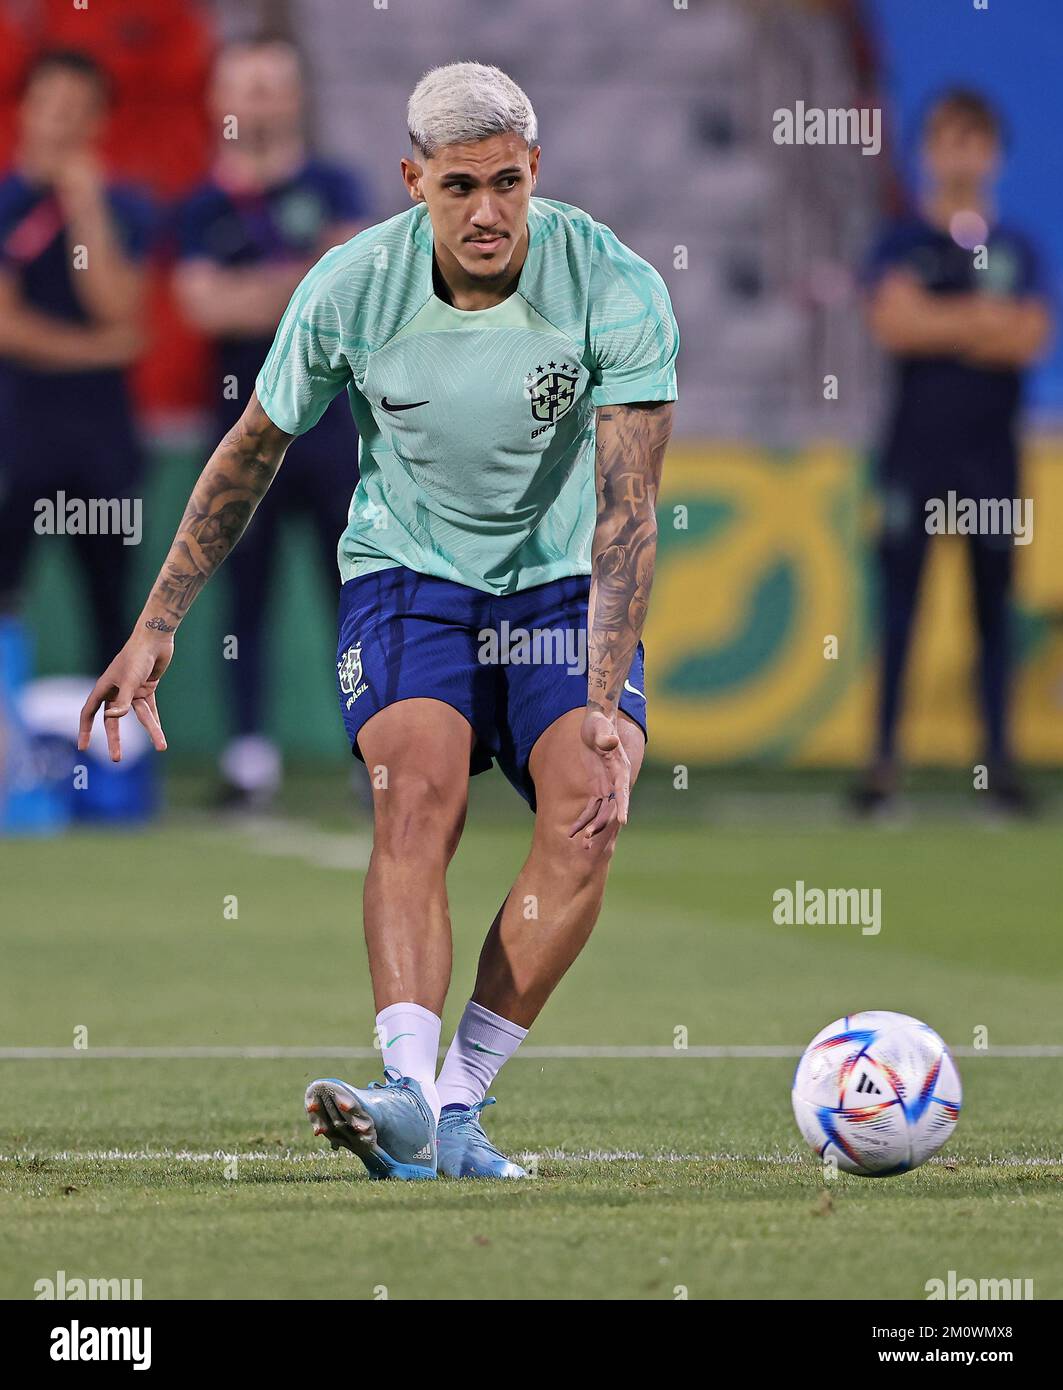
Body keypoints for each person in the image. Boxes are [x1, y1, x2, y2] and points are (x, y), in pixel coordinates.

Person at [79, 61, 678, 1181]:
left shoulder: (616, 284)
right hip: (411, 573)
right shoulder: (349, 288)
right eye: (460, 186)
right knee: (418, 786)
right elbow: (251, 450)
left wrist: (602, 704)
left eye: (507, 181)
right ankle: (402, 1084)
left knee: (592, 808)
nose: (488, 211)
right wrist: (159, 621)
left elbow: (628, 511)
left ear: (536, 171)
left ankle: (451, 1109)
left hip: (558, 587)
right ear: (414, 182)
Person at [173, 36, 369, 807]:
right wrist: (303, 281)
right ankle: (248, 758)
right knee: (239, 594)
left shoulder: (335, 183)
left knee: (352, 593)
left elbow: (348, 291)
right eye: (243, 88)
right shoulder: (201, 204)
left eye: (271, 87)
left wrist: (254, 291)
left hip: (331, 431)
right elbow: (200, 304)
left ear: (294, 98)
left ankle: (371, 751)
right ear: (221, 101)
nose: (257, 102)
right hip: (238, 431)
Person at [856, 89, 1052, 818]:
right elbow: (893, 325)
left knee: (991, 613)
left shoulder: (1016, 248)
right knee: (899, 613)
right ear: (926, 151)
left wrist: (939, 317)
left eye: (973, 140)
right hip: (913, 456)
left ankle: (998, 765)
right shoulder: (897, 241)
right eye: (946, 139)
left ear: (992, 153)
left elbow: (1030, 337)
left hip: (990, 462)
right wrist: (982, 321)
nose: (959, 154)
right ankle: (881, 766)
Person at [0, 49, 153, 671]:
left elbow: (116, 303)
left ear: (99, 122)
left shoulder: (126, 207)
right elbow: (6, 328)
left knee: (111, 607)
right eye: (51, 105)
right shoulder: (6, 203)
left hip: (103, 440)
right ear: (26, 111)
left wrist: (84, 203)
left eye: (78, 110)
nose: (62, 122)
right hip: (16, 434)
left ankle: (115, 758)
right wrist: (100, 349)